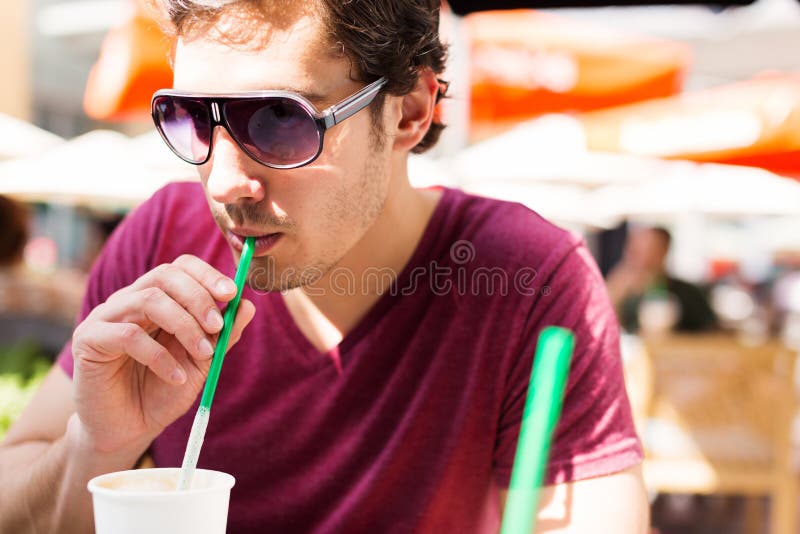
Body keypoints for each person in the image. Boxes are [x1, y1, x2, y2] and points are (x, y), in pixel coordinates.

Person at [0, 1, 647, 532]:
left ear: (410, 112)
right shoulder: (165, 240)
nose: (223, 183)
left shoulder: (524, 277)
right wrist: (98, 445)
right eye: (191, 117)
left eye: (280, 120)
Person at [606, 226, 716, 333]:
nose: (644, 259)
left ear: (665, 250)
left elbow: (712, 331)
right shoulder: (621, 292)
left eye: (650, 250)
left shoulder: (687, 293)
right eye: (636, 251)